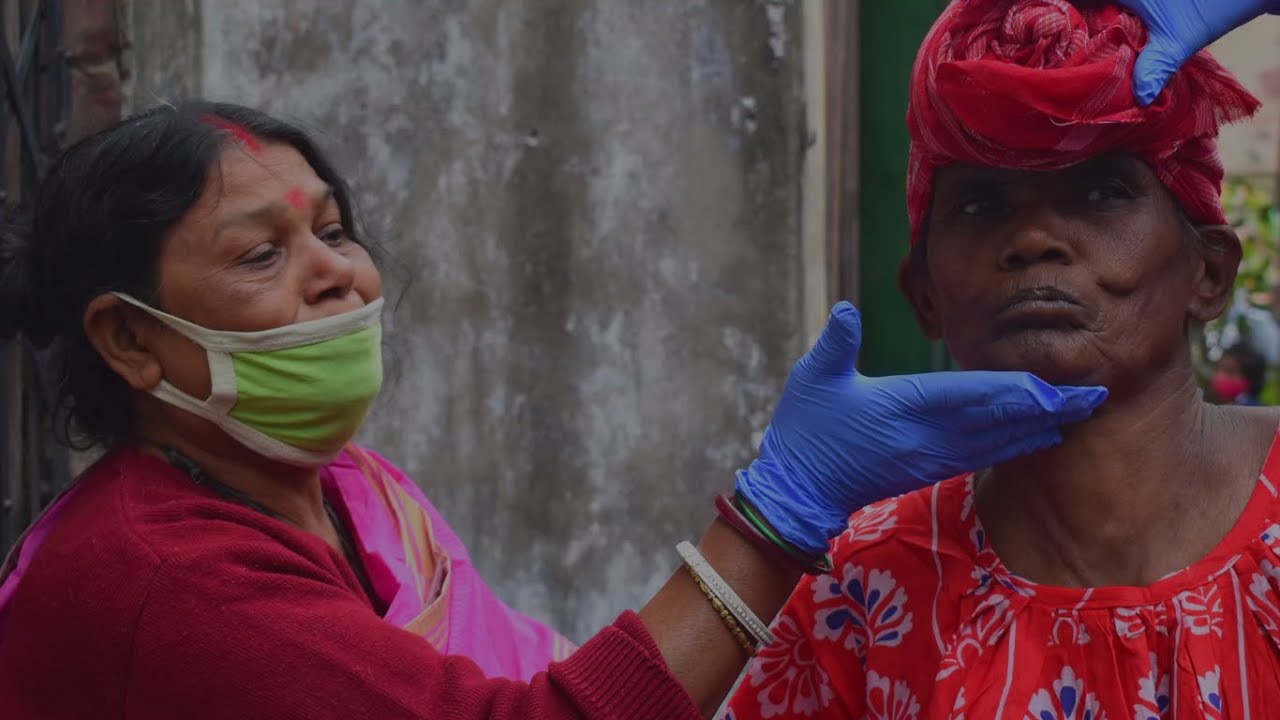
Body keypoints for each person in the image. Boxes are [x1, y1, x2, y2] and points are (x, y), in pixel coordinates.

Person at [0, 102, 1105, 719]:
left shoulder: (356, 500)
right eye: (260, 254)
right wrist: (777, 515)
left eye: (334, 234)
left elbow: (516, 675)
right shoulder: (156, 576)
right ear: (130, 339)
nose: (337, 276)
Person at [725, 0, 1280, 718]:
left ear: (1209, 274)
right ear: (924, 294)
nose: (1034, 238)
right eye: (980, 204)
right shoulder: (864, 587)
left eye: (1101, 191)